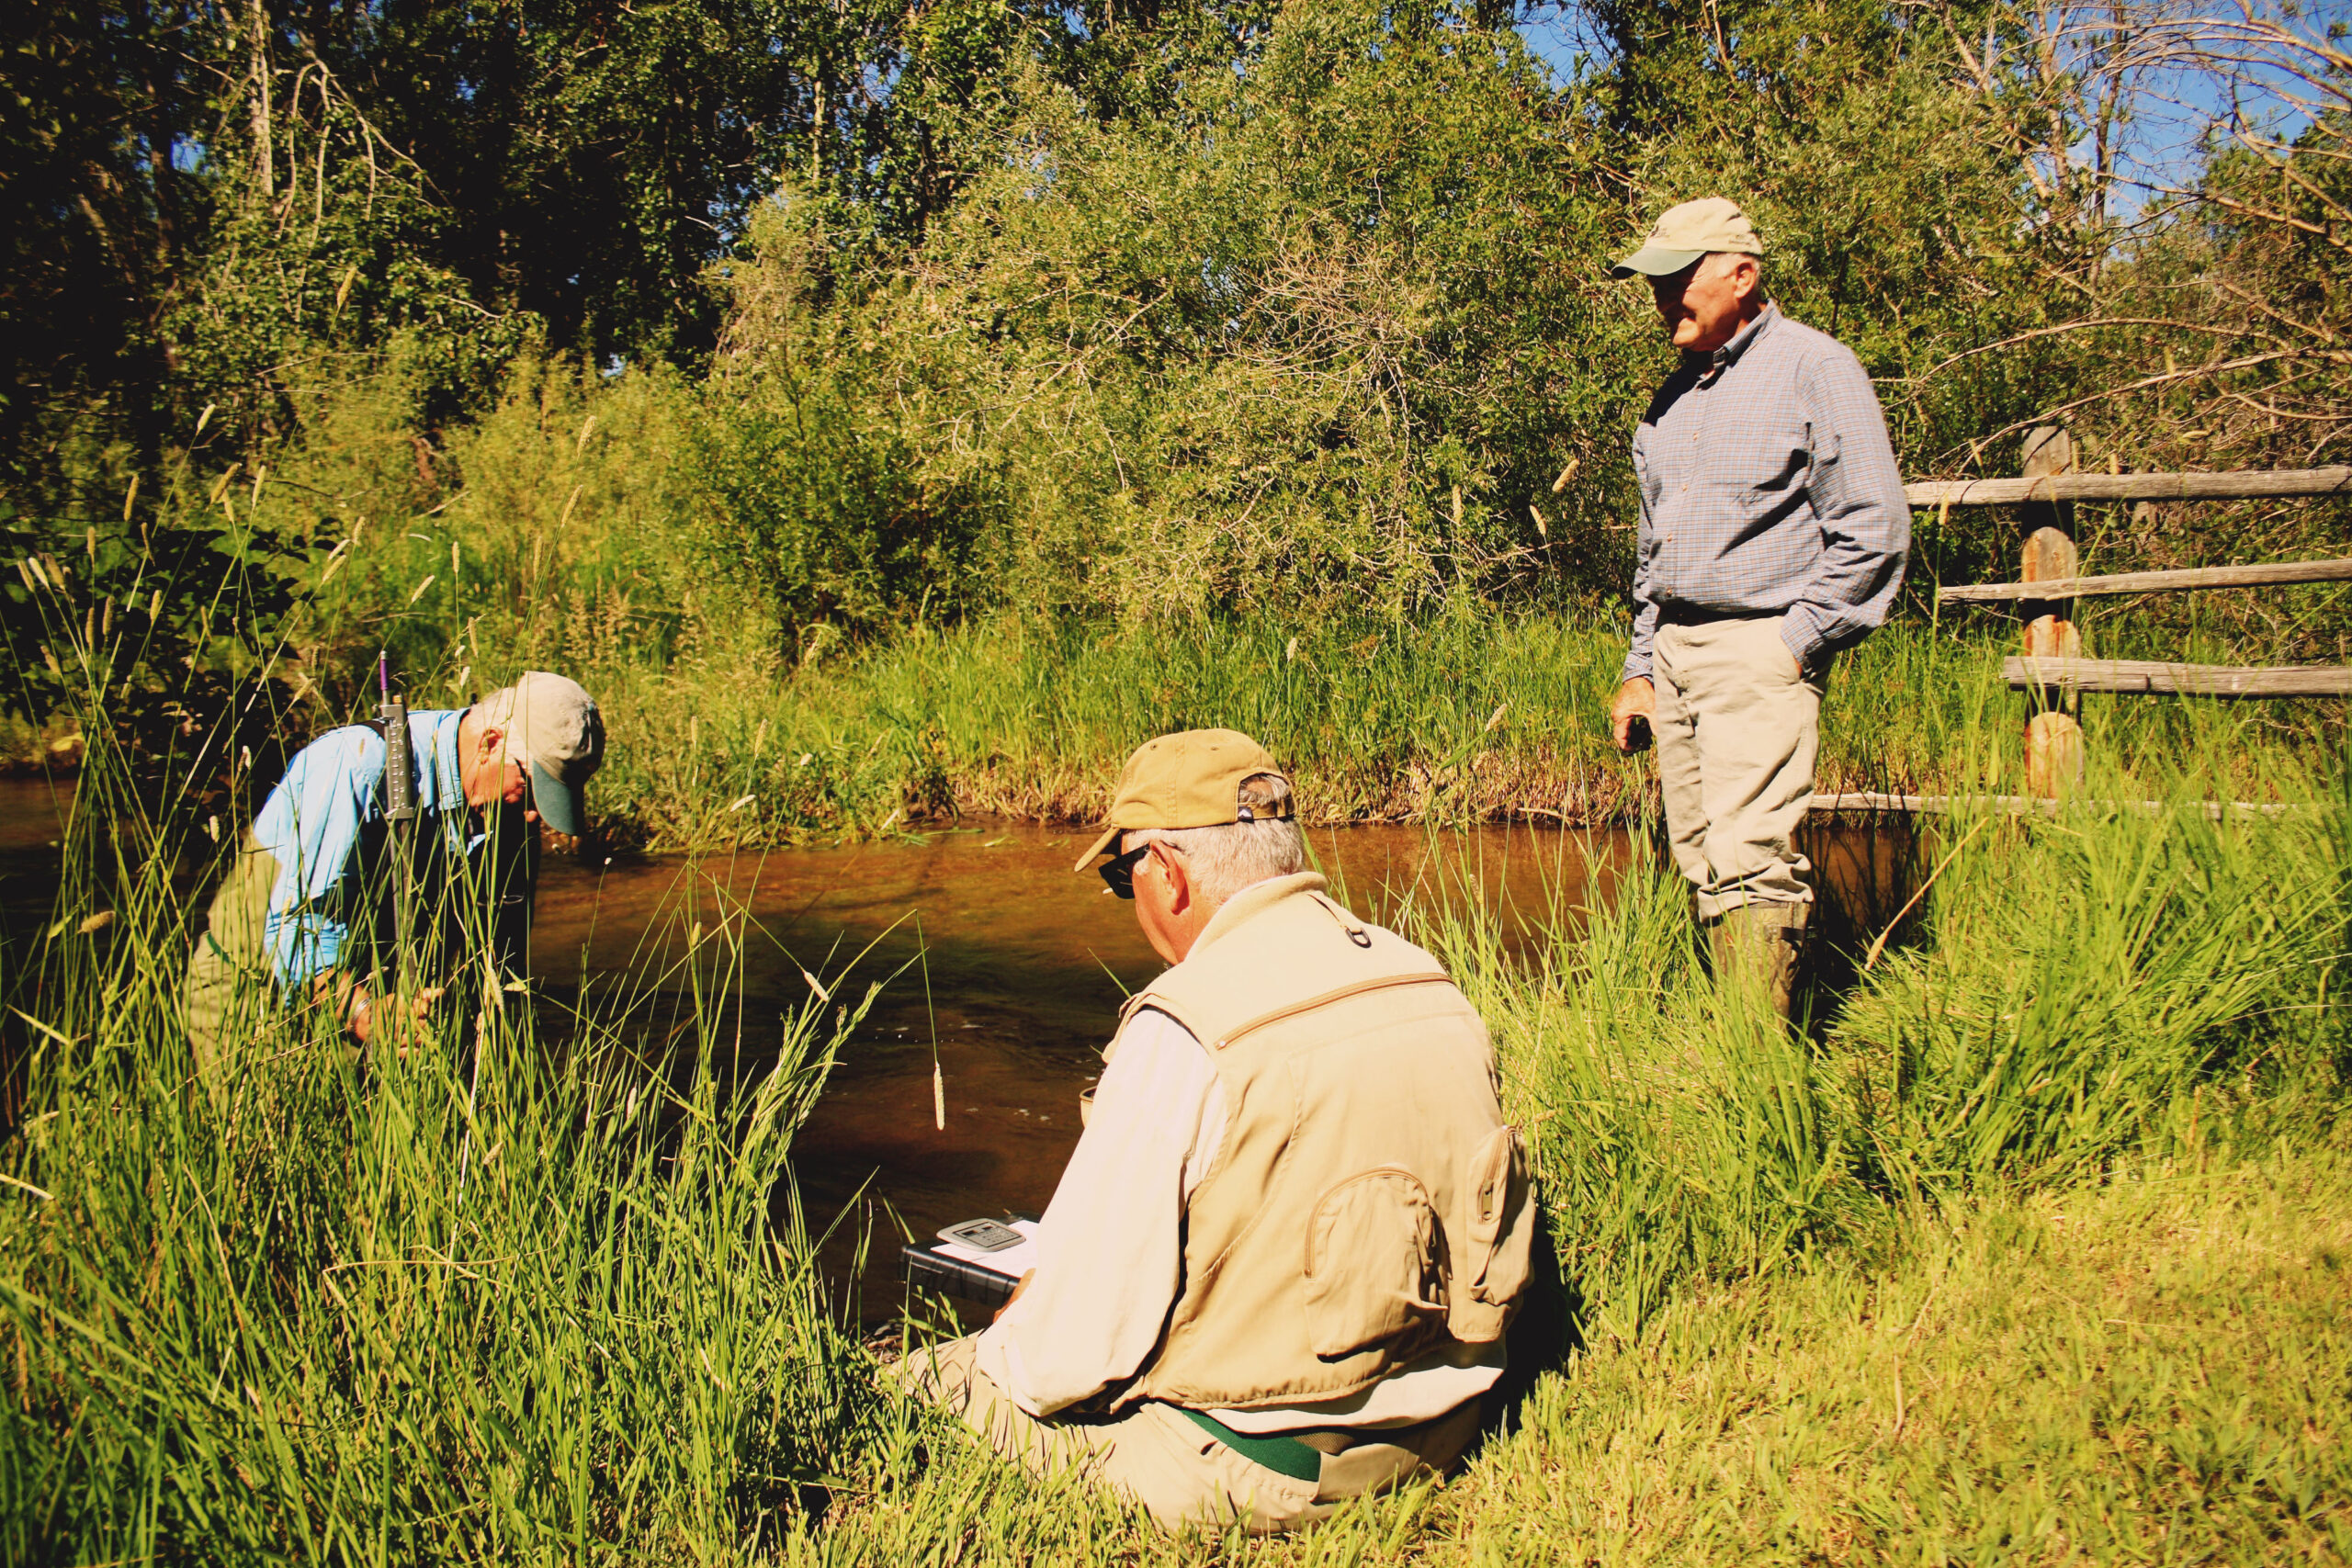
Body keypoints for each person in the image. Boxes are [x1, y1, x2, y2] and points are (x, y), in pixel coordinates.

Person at [906, 728, 1538, 1534]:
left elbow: (1070, 1353)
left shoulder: (1186, 1026)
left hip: (1270, 1465)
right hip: (1453, 1421)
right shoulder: (1428, 977)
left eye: (1118, 874)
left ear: (1166, 873)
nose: (1123, 896)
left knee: (921, 1388)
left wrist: (1005, 1336)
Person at [1603, 197, 1909, 1016]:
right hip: (1676, 654)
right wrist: (1641, 669)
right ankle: (1734, 1039)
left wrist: (1795, 641)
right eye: (1654, 281)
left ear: (1742, 274)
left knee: (1750, 856)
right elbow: (1654, 556)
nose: (1662, 296)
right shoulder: (1669, 403)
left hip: (1759, 647)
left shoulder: (1817, 369)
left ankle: (1753, 1066)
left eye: (1677, 277)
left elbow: (1874, 528)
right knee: (1700, 853)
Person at [183, 670, 605, 1088]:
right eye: (532, 789)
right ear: (489, 744)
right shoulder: (354, 766)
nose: (535, 814)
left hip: (381, 1008)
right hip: (256, 1002)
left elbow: (502, 954)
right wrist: (365, 1011)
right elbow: (297, 928)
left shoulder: (507, 807)